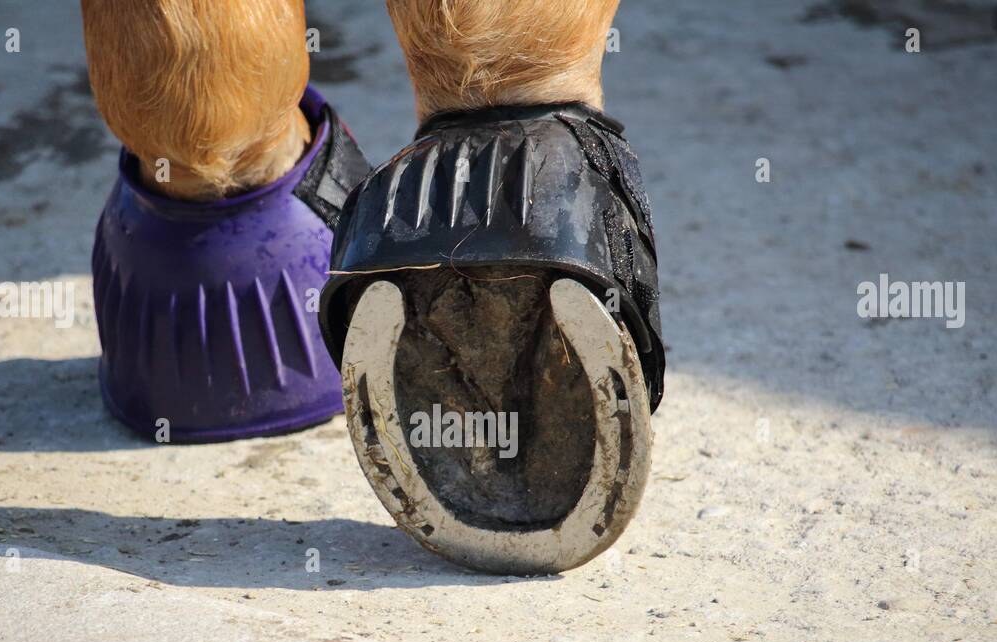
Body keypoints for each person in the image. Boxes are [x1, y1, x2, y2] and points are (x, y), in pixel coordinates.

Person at [81, 0, 662, 573]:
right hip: (543, 232)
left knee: (206, 118)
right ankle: (518, 91)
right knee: (510, 68)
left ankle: (206, 130)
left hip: (166, 285)